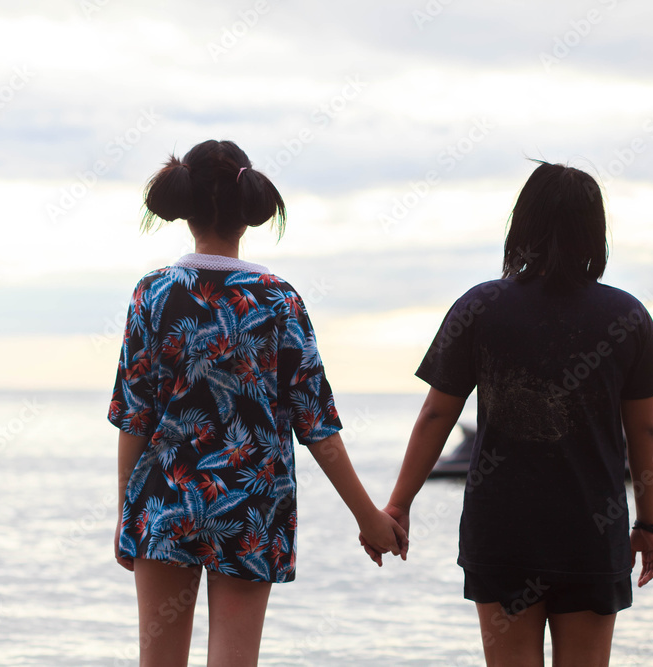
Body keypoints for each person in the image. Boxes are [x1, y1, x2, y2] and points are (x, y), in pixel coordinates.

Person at [108, 139, 406, 667]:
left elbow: (134, 416)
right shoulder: (278, 299)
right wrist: (368, 518)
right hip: (250, 506)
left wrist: (126, 515)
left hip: (163, 503)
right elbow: (317, 426)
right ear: (246, 212)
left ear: (187, 208)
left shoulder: (151, 294)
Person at [369, 161, 653, 667]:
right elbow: (644, 432)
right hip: (592, 534)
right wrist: (649, 524)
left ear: (523, 226)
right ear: (594, 234)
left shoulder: (479, 308)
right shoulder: (627, 317)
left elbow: (435, 416)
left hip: (501, 531)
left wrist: (398, 504)